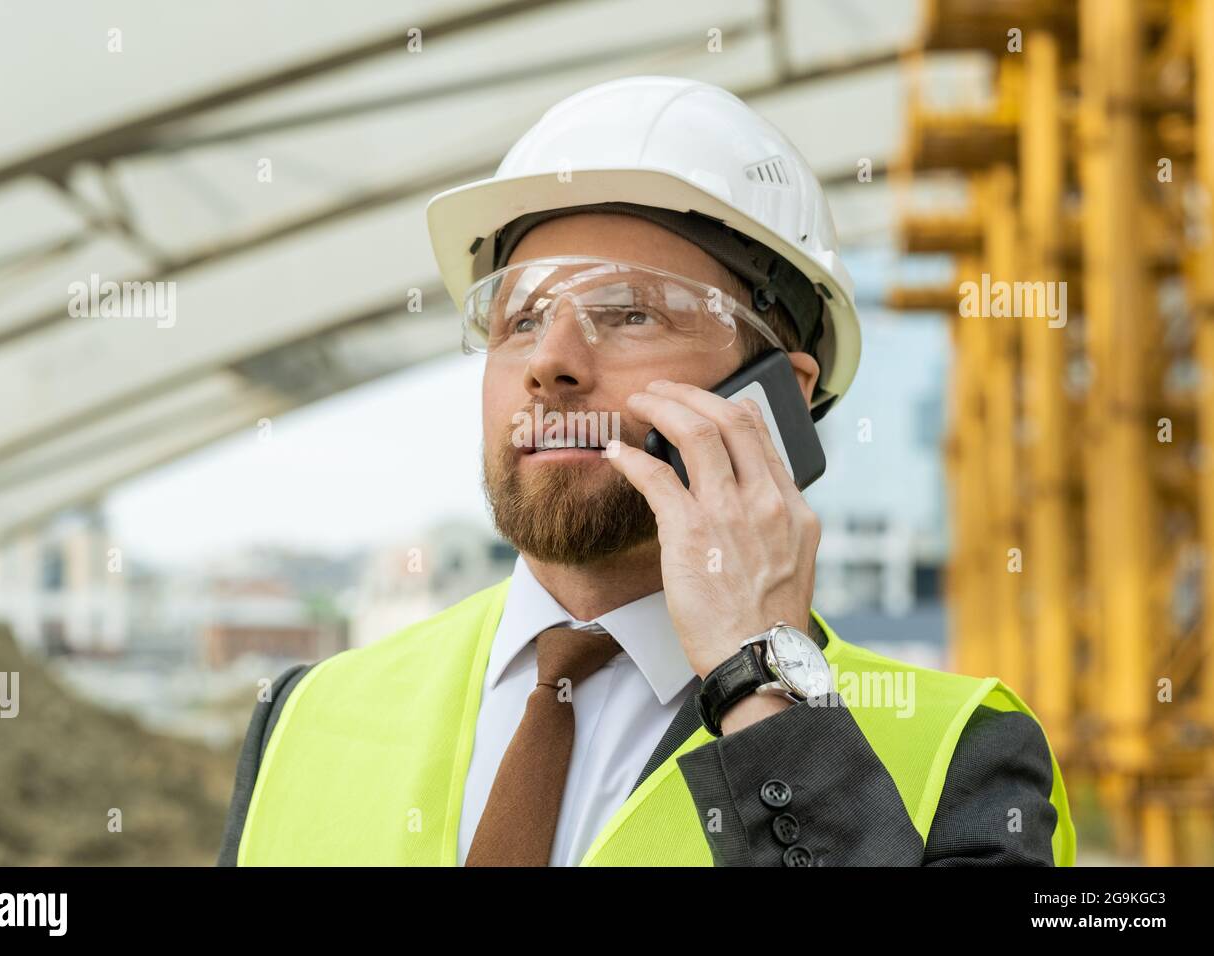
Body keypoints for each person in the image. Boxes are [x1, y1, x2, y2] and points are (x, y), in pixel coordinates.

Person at [217, 75, 1075, 867]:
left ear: (775, 398)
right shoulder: (304, 717)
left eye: (628, 312)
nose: (550, 362)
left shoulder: (965, 755)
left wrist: (759, 682)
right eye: (520, 319)